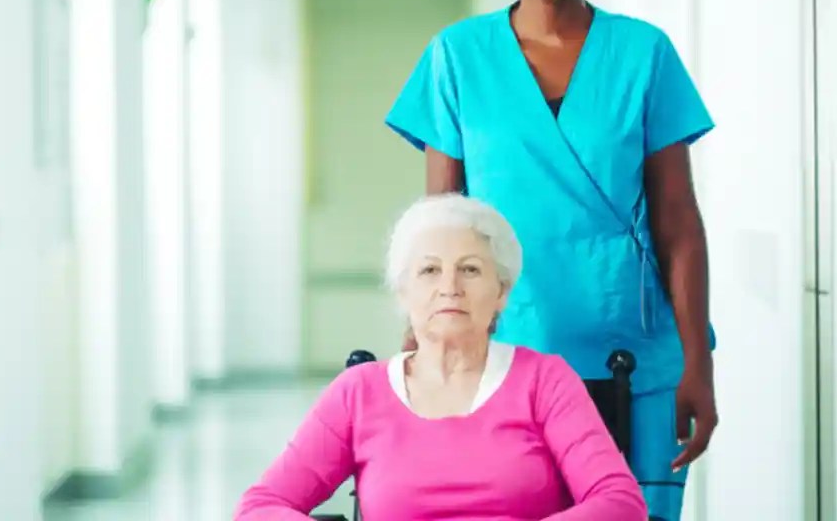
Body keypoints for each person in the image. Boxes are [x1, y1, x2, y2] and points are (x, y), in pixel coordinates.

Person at [384, 0, 717, 521]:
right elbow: (440, 224)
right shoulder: (458, 56)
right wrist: (424, 343)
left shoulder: (643, 53)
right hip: (502, 347)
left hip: (634, 349)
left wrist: (696, 363)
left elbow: (678, 222)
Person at [235, 194, 648, 520]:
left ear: (501, 292)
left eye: (470, 270)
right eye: (429, 271)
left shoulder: (545, 381)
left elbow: (620, 503)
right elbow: (261, 507)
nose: (449, 287)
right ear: (403, 292)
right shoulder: (358, 393)